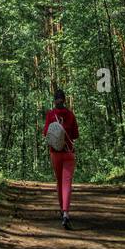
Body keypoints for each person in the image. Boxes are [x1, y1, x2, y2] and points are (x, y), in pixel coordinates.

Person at [43, 88, 79, 229]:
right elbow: (75, 135)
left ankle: (62, 209)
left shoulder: (50, 114)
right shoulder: (70, 115)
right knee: (67, 183)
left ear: (54, 100)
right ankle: (65, 213)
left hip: (55, 152)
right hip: (69, 152)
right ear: (64, 99)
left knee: (59, 182)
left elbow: (46, 132)